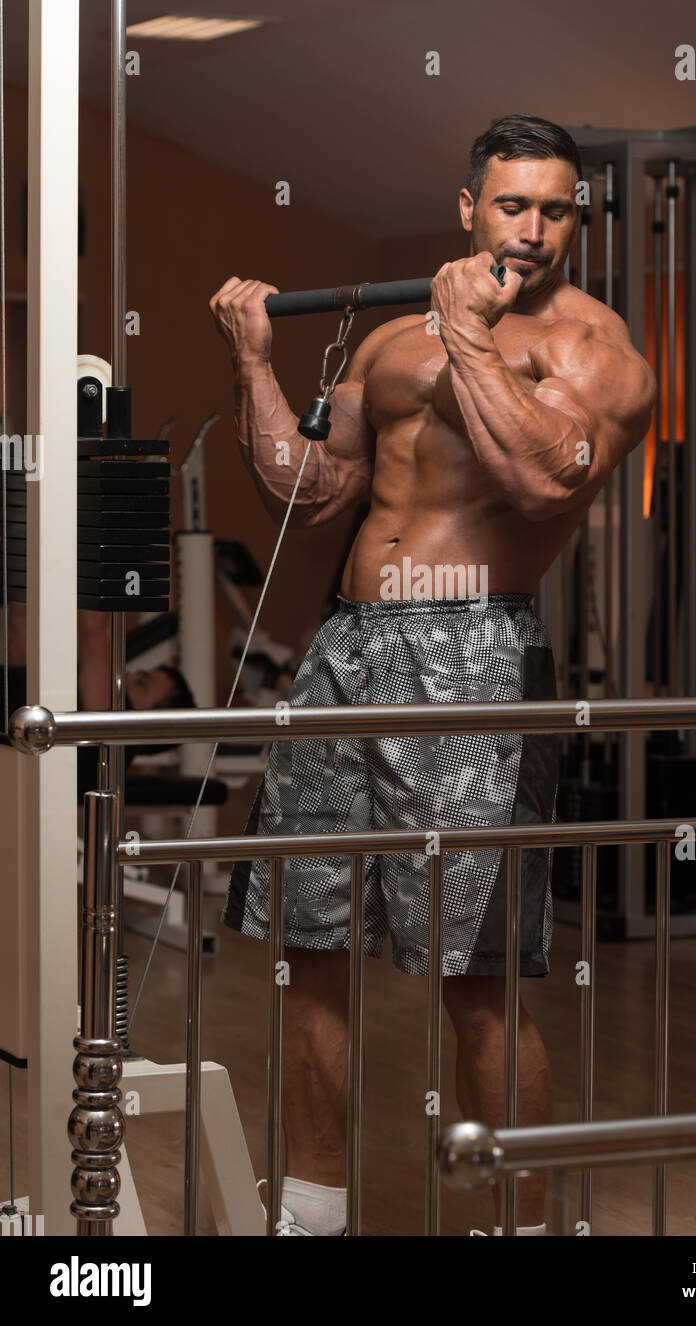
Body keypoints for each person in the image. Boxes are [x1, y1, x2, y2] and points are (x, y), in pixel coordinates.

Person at [210, 114, 655, 1236]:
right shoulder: (389, 341)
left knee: (480, 982)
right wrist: (256, 366)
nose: (534, 229)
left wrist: (469, 339)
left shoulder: (598, 353)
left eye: (557, 208)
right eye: (513, 205)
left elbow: (546, 484)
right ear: (469, 207)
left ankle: (521, 1226)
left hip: (479, 658)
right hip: (349, 645)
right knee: (308, 955)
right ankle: (310, 1218)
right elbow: (308, 491)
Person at [1, 606, 195, 792]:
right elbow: (21, 629)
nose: (127, 675)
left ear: (149, 727)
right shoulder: (60, 700)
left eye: (141, 683)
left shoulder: (110, 742)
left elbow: (95, 627)